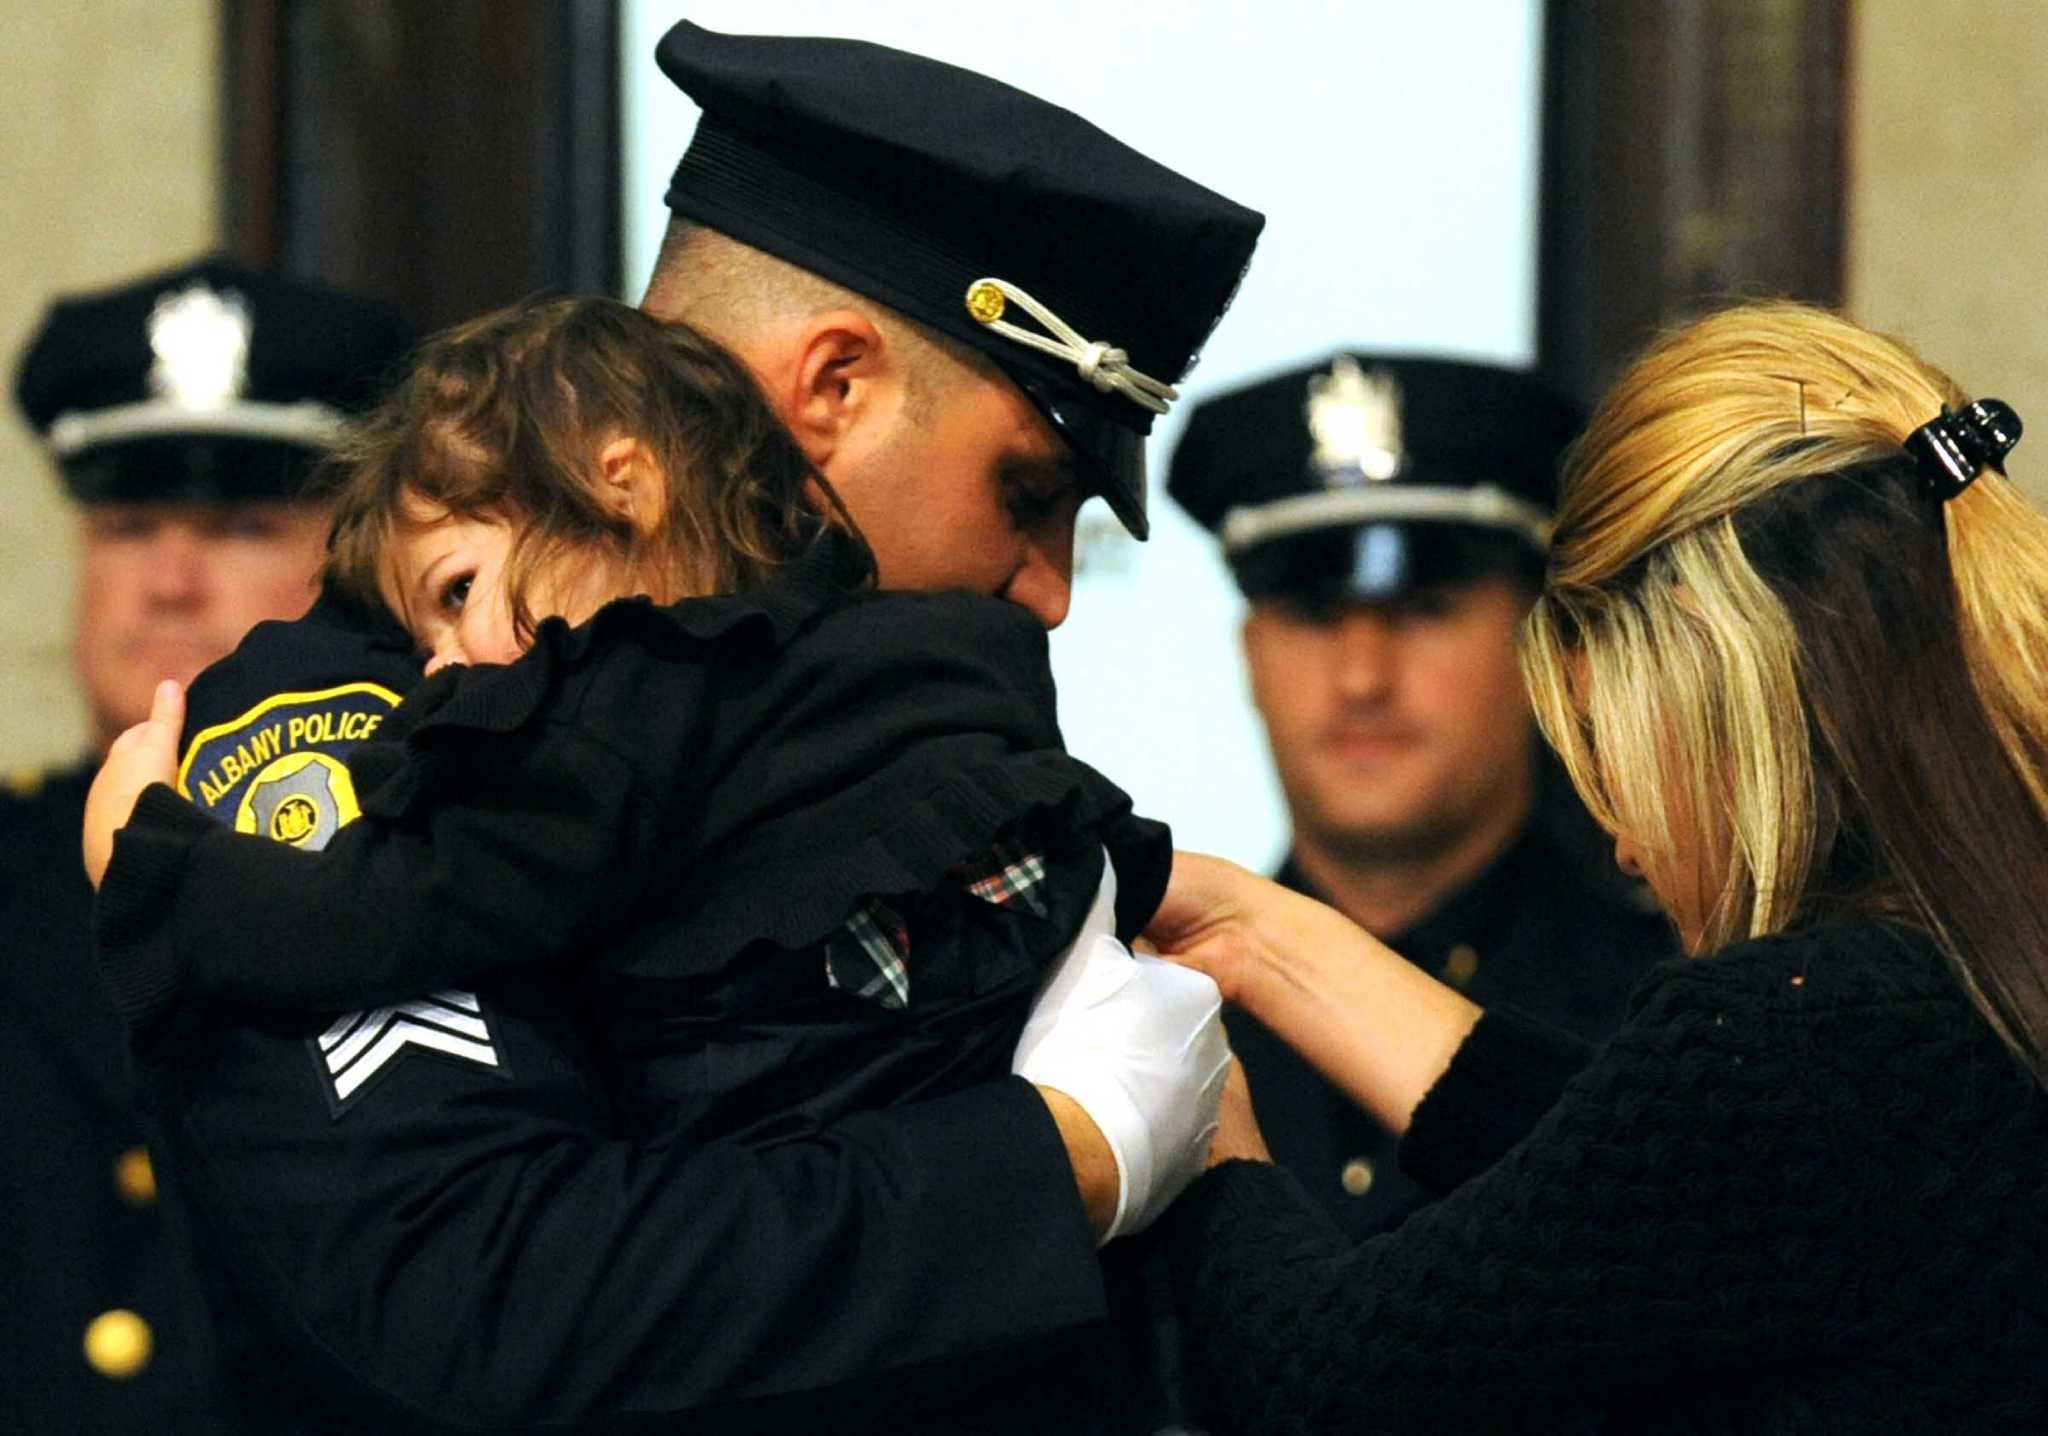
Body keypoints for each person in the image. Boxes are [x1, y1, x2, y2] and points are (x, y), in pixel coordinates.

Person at [83, 24, 1263, 1435]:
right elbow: (478, 1303)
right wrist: (1061, 1157)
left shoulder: (882, 734)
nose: (1050, 593)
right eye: (1027, 491)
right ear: (833, 387)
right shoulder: (390, 713)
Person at [88, 294, 1225, 1246]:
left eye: (455, 589)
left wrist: (161, 869)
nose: (438, 668)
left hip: (821, 1158)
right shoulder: (886, 650)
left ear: (621, 485)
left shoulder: (607, 716)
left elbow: (399, 906)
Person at [1144, 301, 2048, 1431]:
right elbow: (1624, 1168)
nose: (1619, 835)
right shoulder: (1951, 969)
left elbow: (1326, 1380)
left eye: (1611, 752)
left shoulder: (1785, 1033)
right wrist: (1253, 934)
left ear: (1696, 672)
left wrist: (1189, 1081)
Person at [0, 256, 411, 1431]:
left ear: (351, 558)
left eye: (241, 523)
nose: (171, 581)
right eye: (129, 524)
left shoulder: (449, 876)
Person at [1166, 355, 1674, 1236]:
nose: (1362, 677)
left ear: (1546, 650)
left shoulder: (1669, 1010)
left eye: (1425, 607)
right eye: (1314, 616)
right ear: (1250, 655)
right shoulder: (1156, 1012)